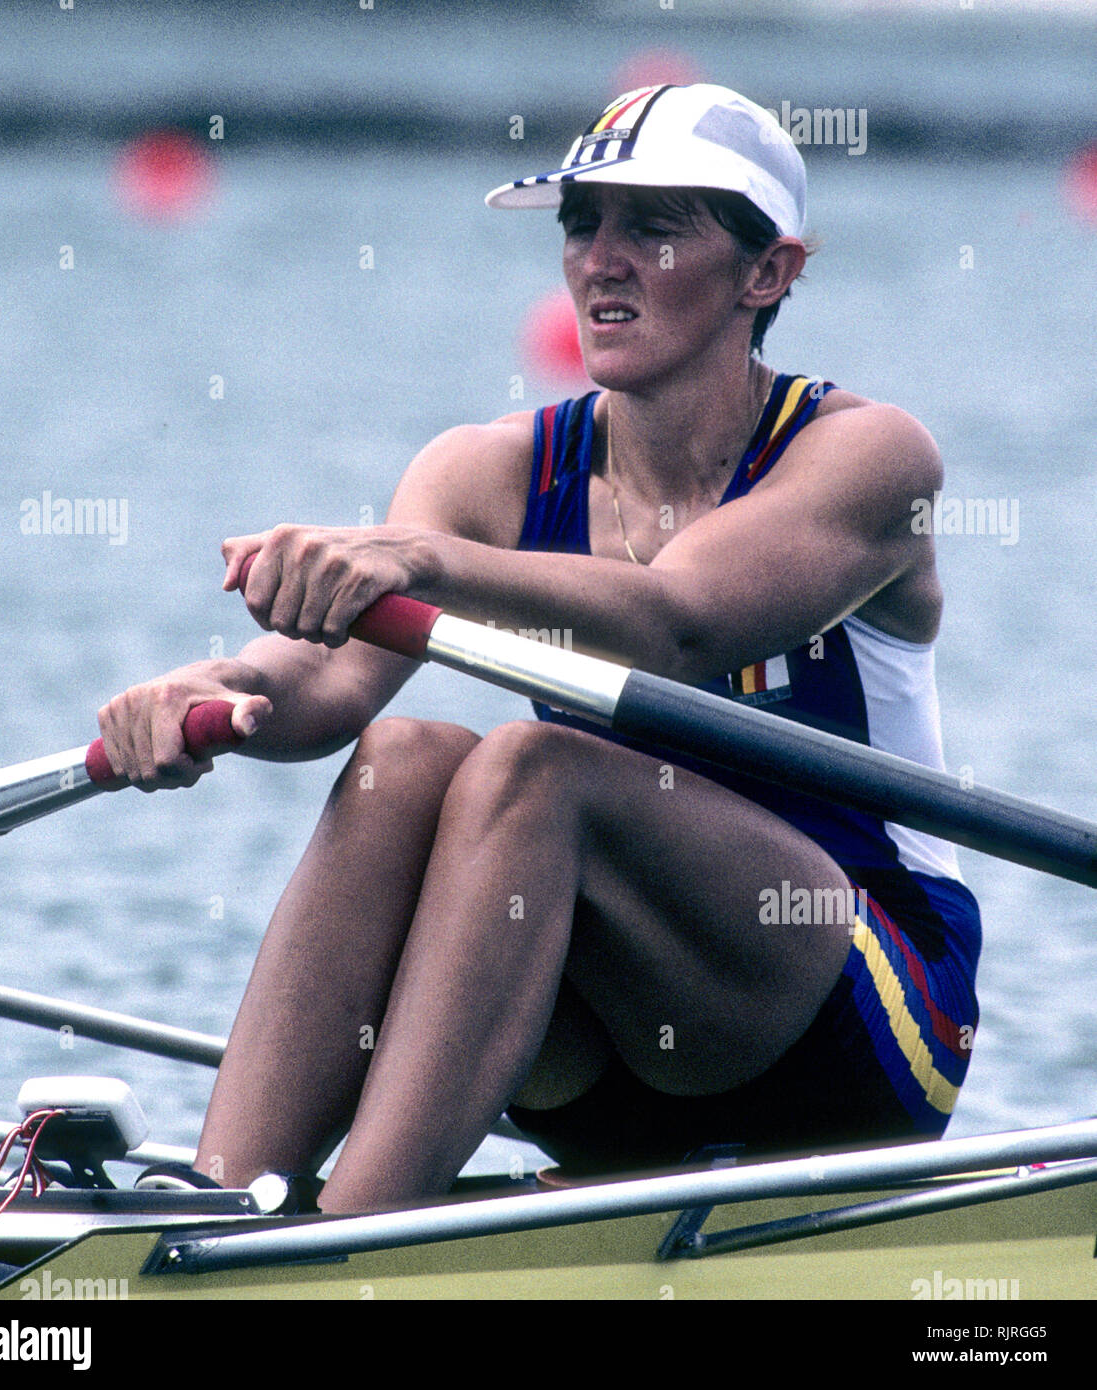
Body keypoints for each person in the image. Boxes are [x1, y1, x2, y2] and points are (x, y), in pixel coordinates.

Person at [99, 83, 981, 1214]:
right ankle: (215, 1207)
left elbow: (680, 621)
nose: (601, 260)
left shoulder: (867, 458)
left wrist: (421, 561)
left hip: (859, 1023)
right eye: (581, 225)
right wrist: (207, 688)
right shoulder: (488, 471)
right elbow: (325, 686)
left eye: (654, 228)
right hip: (602, 1048)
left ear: (766, 275)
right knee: (405, 752)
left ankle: (336, 1242)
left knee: (532, 769)